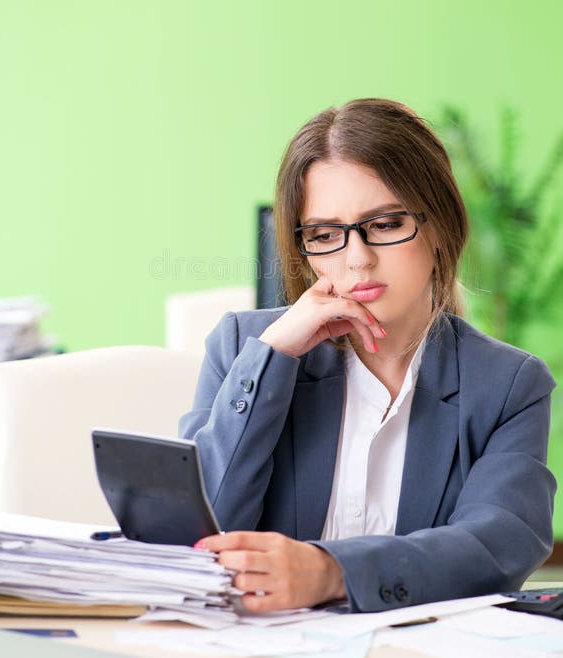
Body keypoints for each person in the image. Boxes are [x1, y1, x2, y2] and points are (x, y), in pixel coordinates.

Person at [179, 98, 556, 614]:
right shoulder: (245, 349)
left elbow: (498, 544)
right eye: (325, 234)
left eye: (384, 223)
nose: (357, 258)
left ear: (441, 225)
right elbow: (199, 533)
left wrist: (330, 572)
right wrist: (273, 359)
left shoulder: (508, 383)